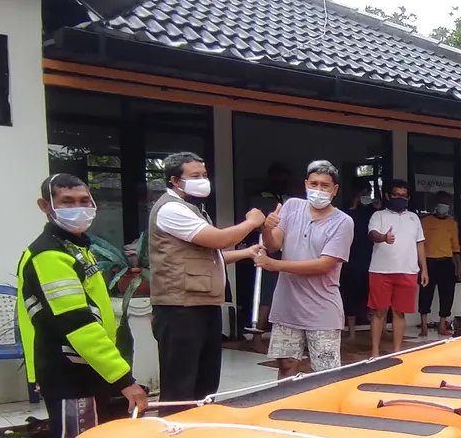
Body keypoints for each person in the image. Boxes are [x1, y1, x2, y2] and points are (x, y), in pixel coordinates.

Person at [17, 174, 149, 438]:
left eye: (84, 201)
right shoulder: (49, 255)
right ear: (45, 206)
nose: (79, 208)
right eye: (67, 202)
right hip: (69, 372)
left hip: (86, 369)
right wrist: (124, 380)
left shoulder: (75, 249)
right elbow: (77, 324)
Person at [149, 152, 265, 410]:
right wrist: (251, 222)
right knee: (181, 385)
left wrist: (246, 253)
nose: (203, 180)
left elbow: (212, 253)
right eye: (195, 176)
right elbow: (219, 239)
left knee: (205, 382)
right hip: (180, 308)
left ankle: (198, 433)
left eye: (204, 175)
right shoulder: (171, 208)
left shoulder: (192, 209)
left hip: (203, 304)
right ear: (174, 181)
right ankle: (174, 437)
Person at [257, 160, 354, 378]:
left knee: (325, 373)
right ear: (305, 184)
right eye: (314, 184)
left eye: (324, 186)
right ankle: (285, 409)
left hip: (321, 309)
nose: (318, 190)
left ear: (335, 189)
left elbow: (324, 264)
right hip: (287, 306)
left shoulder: (343, 222)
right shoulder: (291, 207)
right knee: (286, 366)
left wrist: (274, 265)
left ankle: (322, 412)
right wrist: (266, 228)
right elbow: (274, 244)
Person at [368, 179, 428, 358]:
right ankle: (375, 352)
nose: (399, 198)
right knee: (379, 312)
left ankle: (397, 352)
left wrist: (424, 269)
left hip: (408, 271)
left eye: (403, 196)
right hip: (380, 270)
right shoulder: (378, 216)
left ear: (408, 198)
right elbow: (373, 235)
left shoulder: (414, 218)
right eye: (396, 195)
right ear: (388, 196)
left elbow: (420, 244)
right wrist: (384, 238)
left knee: (399, 312)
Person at [246, 162, 292, 351]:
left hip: (287, 252)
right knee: (266, 295)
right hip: (267, 250)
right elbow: (256, 222)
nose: (282, 182)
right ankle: (257, 337)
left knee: (288, 293)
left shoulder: (290, 199)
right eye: (279, 178)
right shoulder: (260, 198)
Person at [418, 191, 461, 336]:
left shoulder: (452, 223)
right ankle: (424, 325)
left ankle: (442, 324)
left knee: (447, 294)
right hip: (429, 263)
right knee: (425, 294)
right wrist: (421, 265)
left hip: (447, 262)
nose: (443, 206)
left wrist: (459, 267)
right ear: (435, 204)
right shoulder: (425, 222)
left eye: (446, 203)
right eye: (441, 202)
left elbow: (456, 247)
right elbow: (419, 244)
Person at [341, 178, 376, 339]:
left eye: (368, 193)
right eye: (363, 193)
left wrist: (376, 206)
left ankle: (378, 329)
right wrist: (354, 205)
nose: (366, 196)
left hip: (371, 259)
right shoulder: (346, 212)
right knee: (351, 295)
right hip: (351, 260)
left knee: (372, 295)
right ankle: (352, 332)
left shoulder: (374, 211)